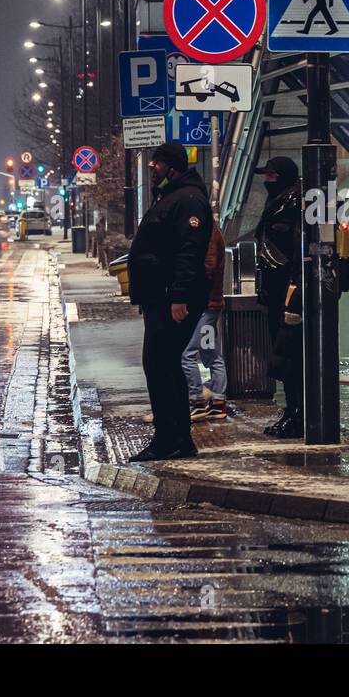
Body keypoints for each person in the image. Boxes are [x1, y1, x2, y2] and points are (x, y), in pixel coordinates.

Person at [125, 142, 212, 461]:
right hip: (160, 297)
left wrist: (178, 297)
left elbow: (189, 252)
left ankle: (168, 440)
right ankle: (178, 439)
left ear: (173, 166)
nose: (152, 167)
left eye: (157, 162)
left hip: (171, 300)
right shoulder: (172, 196)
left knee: (160, 365)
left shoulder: (187, 200)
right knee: (164, 365)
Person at [255, 156, 304, 437]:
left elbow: (297, 250)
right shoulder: (278, 203)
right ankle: (292, 410)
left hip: (288, 293)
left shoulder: (293, 204)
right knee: (283, 353)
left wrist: (293, 290)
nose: (266, 181)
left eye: (271, 177)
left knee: (290, 355)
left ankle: (297, 413)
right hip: (276, 293)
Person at [184, 220, 228, 422]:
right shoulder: (213, 231)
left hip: (206, 306)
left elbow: (207, 267)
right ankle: (218, 402)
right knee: (211, 354)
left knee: (187, 355)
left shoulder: (208, 233)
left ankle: (197, 401)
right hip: (212, 305)